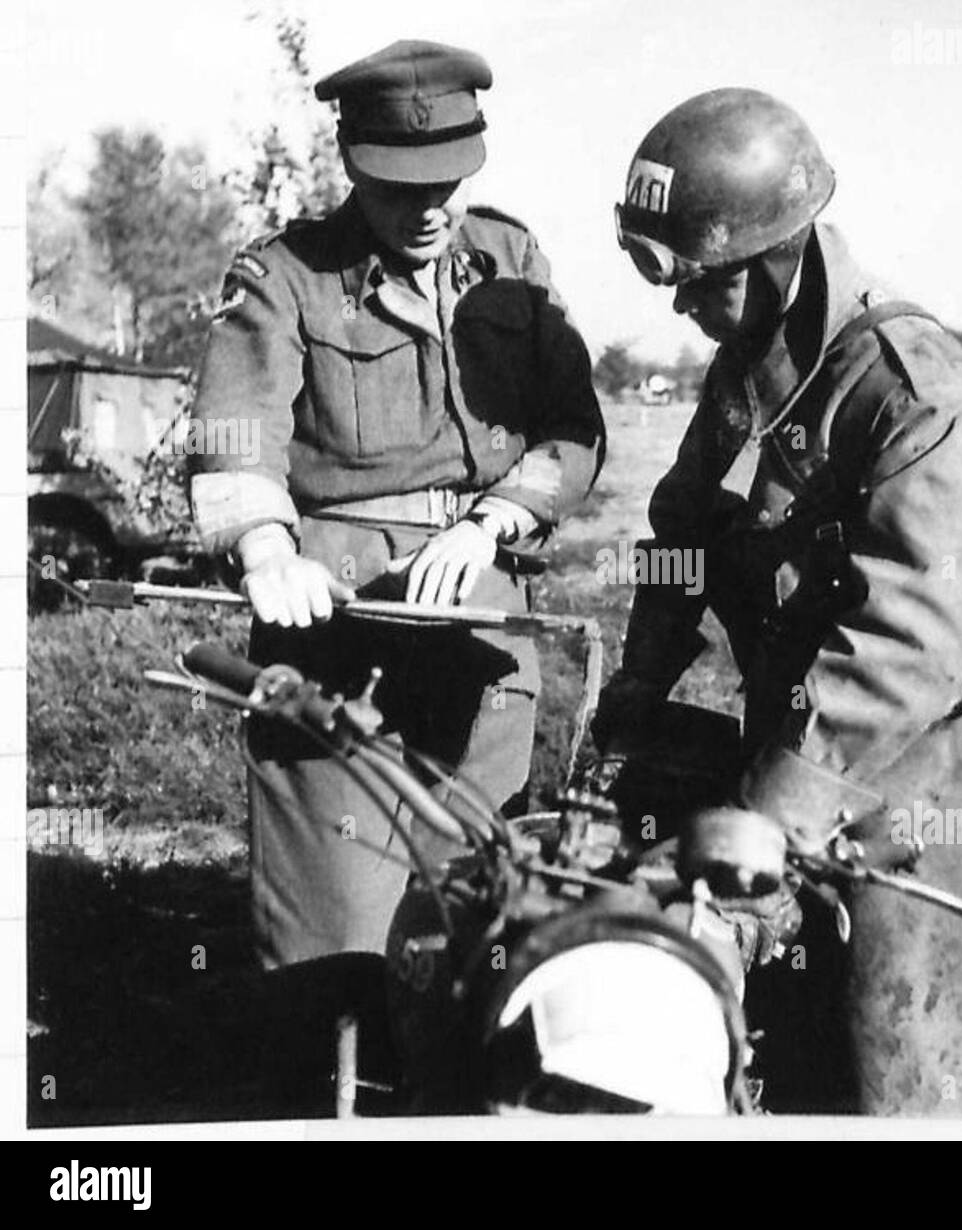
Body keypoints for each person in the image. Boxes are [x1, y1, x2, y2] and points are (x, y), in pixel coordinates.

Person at [595, 87, 962, 1116]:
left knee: (910, 1072)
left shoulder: (912, 386)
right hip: (800, 742)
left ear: (768, 260)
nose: (677, 307)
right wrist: (639, 680)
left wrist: (771, 821)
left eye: (692, 281)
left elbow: (908, 638)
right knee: (795, 1058)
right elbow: (684, 535)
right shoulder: (745, 368)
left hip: (915, 778)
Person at [188, 39, 605, 1111]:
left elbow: (570, 429)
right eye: (397, 187)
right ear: (351, 164)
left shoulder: (510, 261)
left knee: (482, 893)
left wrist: (500, 518)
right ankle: (321, 1103)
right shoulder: (282, 276)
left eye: (447, 184)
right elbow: (239, 429)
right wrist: (266, 548)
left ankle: (468, 1103)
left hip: (481, 620)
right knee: (336, 924)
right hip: (332, 626)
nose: (427, 209)